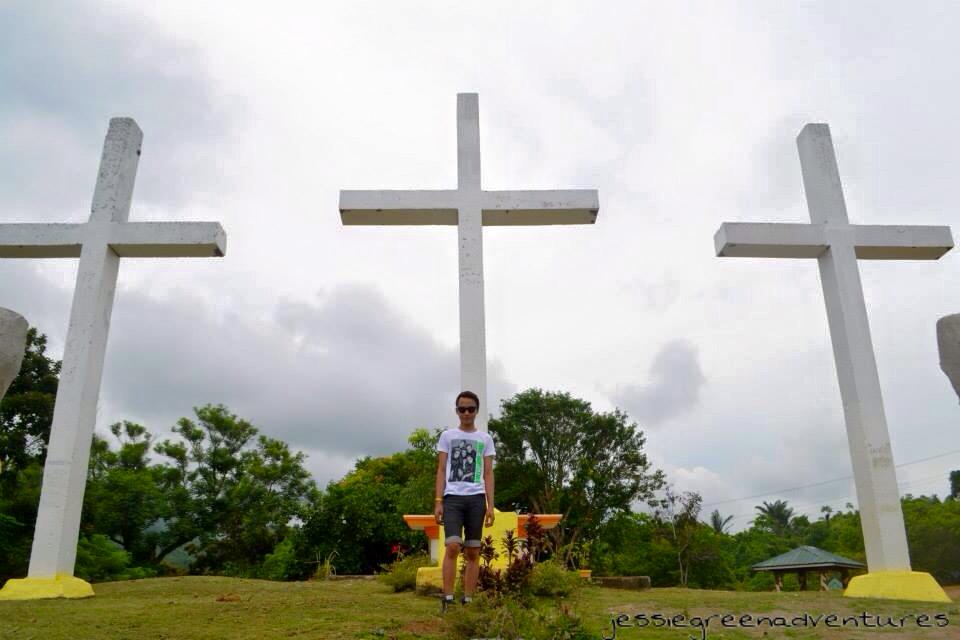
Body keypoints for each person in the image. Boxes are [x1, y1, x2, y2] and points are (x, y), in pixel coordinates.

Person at [434, 390, 495, 612]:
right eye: (462, 409)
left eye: (471, 409)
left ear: (476, 411)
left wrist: (490, 505)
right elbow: (441, 469)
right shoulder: (447, 436)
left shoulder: (485, 439)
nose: (466, 413)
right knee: (452, 546)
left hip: (476, 499)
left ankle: (468, 599)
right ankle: (447, 598)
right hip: (452, 499)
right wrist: (438, 501)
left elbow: (488, 473)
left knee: (472, 551)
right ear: (457, 411)